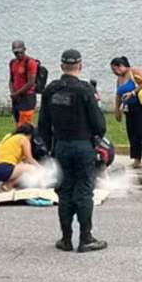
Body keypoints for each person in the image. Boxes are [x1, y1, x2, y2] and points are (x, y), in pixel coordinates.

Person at [39, 49, 108, 253]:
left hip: (61, 146)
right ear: (80, 66)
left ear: (61, 67)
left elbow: (43, 125)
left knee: (65, 191)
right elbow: (99, 124)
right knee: (84, 191)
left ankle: (66, 238)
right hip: (83, 146)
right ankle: (85, 238)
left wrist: (50, 147)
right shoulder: (85, 90)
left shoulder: (51, 90)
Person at [110, 57, 142, 171]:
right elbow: (118, 94)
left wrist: (133, 92)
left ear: (120, 66)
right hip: (129, 108)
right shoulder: (119, 79)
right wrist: (117, 110)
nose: (114, 73)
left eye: (115, 69)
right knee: (133, 134)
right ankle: (137, 158)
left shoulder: (134, 72)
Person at [0, 123, 40, 191]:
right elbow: (29, 159)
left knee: (22, 166)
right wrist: (41, 169)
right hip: (4, 169)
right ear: (30, 134)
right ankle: (9, 185)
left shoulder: (9, 136)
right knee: (32, 169)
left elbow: (22, 160)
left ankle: (7, 183)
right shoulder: (24, 139)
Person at [8, 40, 39, 127]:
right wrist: (12, 92)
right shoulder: (12, 63)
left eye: (20, 52)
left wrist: (16, 93)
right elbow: (11, 80)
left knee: (25, 125)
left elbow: (31, 82)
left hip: (27, 98)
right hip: (16, 98)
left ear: (24, 49)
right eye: (16, 53)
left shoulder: (30, 62)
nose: (18, 54)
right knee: (18, 123)